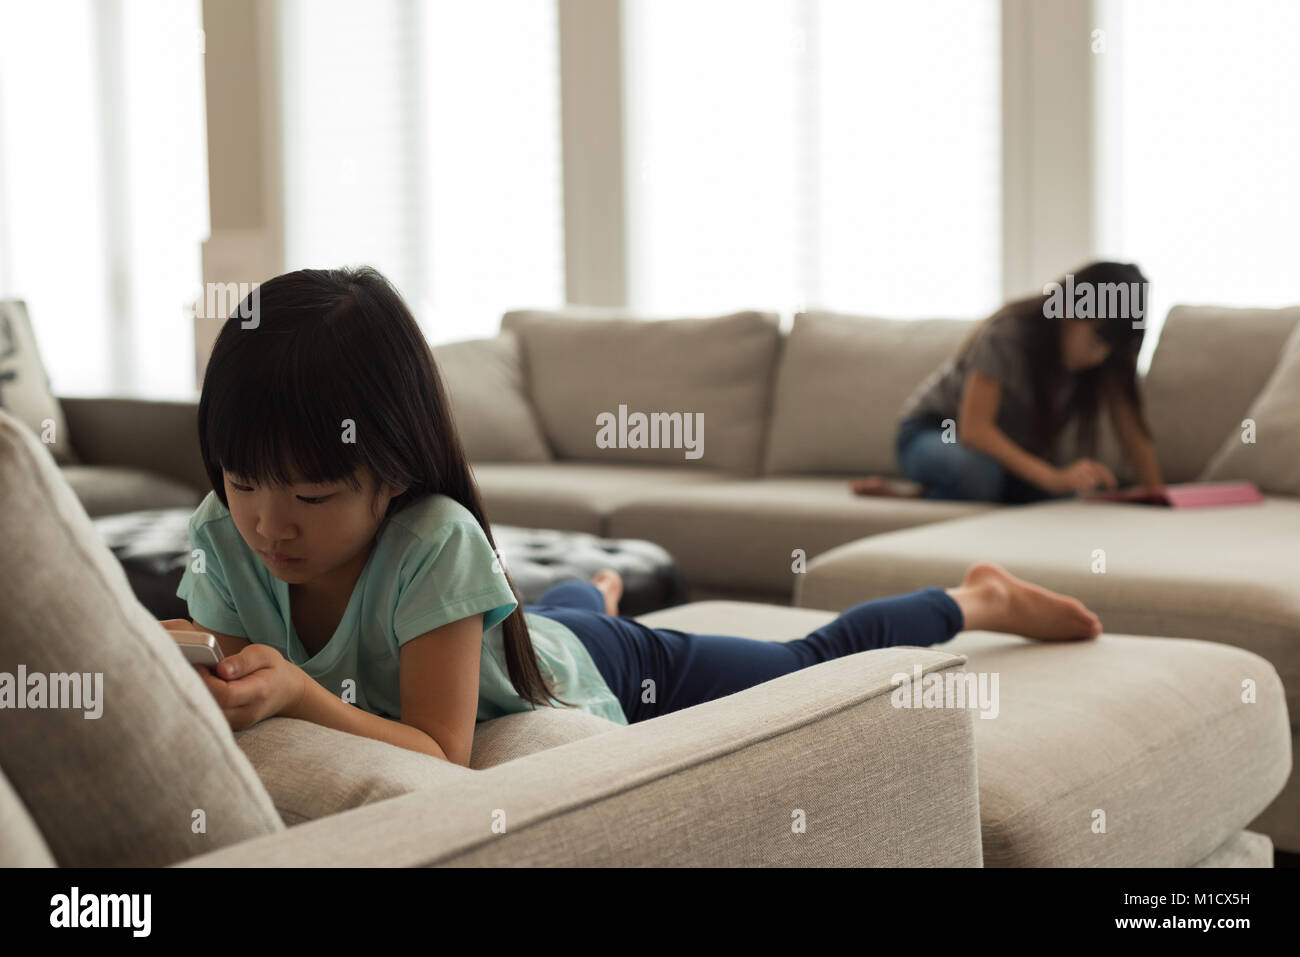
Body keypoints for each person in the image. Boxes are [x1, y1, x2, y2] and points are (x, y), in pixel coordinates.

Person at [164, 266, 1103, 766]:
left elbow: (441, 751)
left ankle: (974, 600)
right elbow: (242, 664)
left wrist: (293, 690)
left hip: (589, 670)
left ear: (396, 470)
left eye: (313, 495)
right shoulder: (224, 531)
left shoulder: (432, 540)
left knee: (799, 665)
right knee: (553, 616)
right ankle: (590, 596)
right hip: (516, 635)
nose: (266, 524)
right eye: (243, 480)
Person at [851, 260, 1163, 503]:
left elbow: (1133, 433)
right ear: (1069, 309)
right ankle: (912, 495)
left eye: (1110, 350)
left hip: (994, 456)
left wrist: (1158, 498)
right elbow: (975, 431)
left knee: (1059, 497)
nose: (1100, 356)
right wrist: (1053, 477)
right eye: (1096, 340)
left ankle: (933, 492)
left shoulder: (1104, 361)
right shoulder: (1010, 333)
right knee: (978, 475)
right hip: (937, 431)